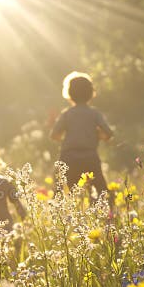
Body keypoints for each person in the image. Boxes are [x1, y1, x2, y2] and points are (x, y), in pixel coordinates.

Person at [50, 71, 114, 204]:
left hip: (68, 157)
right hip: (90, 157)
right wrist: (97, 135)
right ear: (91, 93)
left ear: (69, 94)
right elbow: (108, 133)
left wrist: (68, 139)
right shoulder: (94, 114)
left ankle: (58, 218)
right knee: (101, 192)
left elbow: (54, 135)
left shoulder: (67, 114)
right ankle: (109, 215)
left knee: (61, 191)